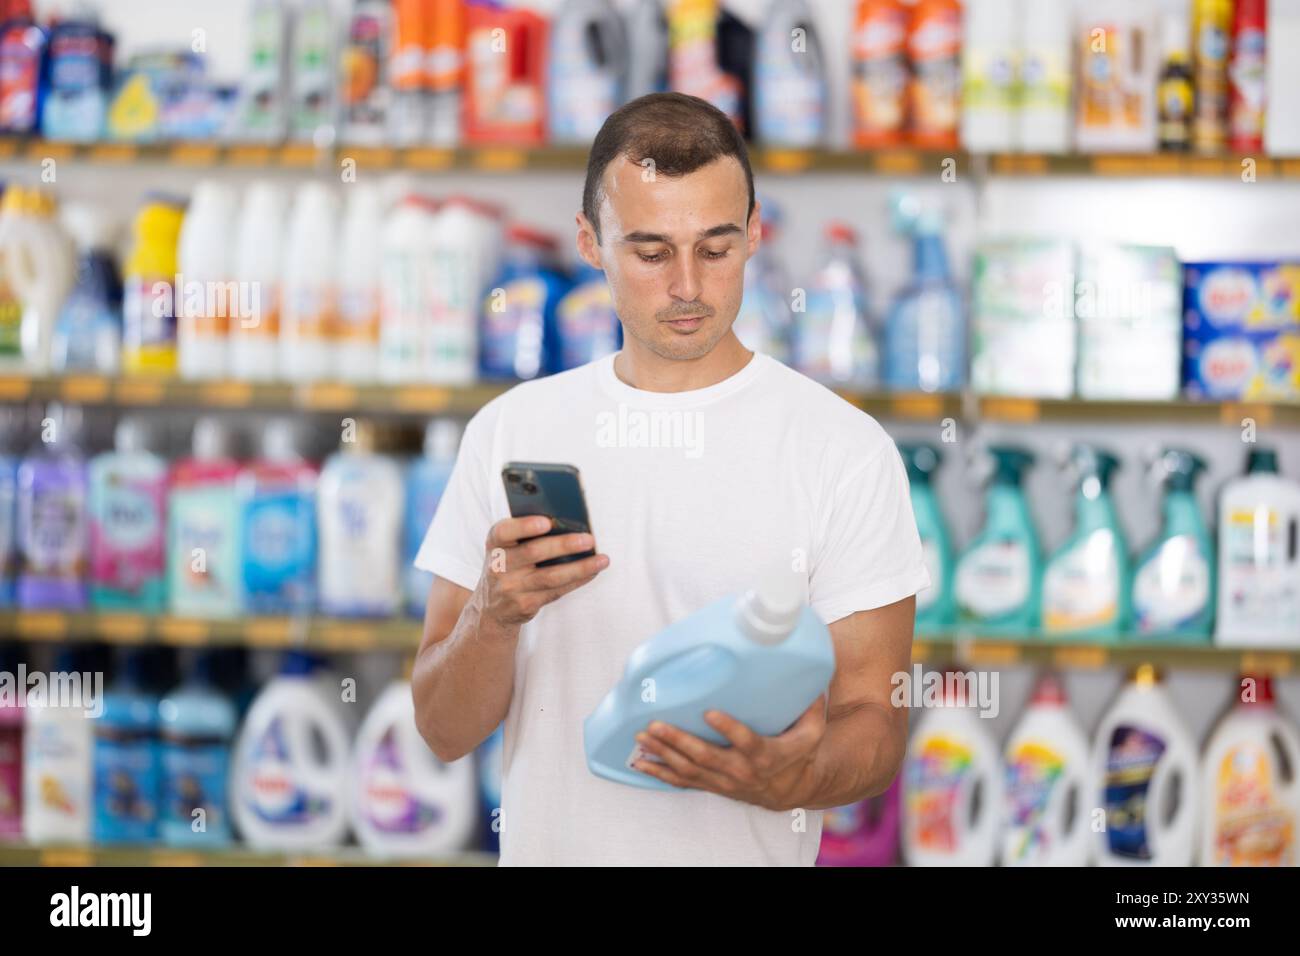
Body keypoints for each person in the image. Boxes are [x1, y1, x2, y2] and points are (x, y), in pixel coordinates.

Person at [412, 92, 930, 866]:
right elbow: (444, 730)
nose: (687, 286)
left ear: (755, 233)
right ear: (590, 243)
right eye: (651, 252)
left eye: (716, 249)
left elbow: (877, 723)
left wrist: (794, 775)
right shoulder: (513, 432)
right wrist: (493, 615)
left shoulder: (843, 450)